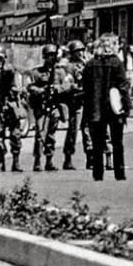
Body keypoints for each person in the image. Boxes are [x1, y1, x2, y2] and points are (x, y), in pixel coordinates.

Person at [82, 32, 129, 181]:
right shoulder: (117, 62)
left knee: (97, 143)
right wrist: (126, 107)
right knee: (117, 142)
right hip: (114, 107)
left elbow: (86, 88)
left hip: (95, 107)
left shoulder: (90, 64)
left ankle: (98, 173)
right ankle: (119, 173)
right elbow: (123, 86)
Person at [26, 45, 61, 172]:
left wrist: (57, 89)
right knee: (40, 135)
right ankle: (37, 161)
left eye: (54, 55)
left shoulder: (58, 72)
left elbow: (66, 85)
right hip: (42, 107)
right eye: (49, 55)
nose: (52, 58)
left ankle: (49, 161)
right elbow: (29, 86)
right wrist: (41, 90)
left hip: (54, 107)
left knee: (51, 136)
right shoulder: (37, 72)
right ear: (45, 57)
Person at [57, 38, 87, 170]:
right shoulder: (67, 67)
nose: (80, 53)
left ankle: (91, 158)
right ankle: (68, 158)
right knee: (73, 131)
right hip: (75, 101)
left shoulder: (85, 64)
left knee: (88, 131)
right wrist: (76, 87)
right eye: (77, 51)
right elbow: (67, 84)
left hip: (87, 100)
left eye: (81, 50)